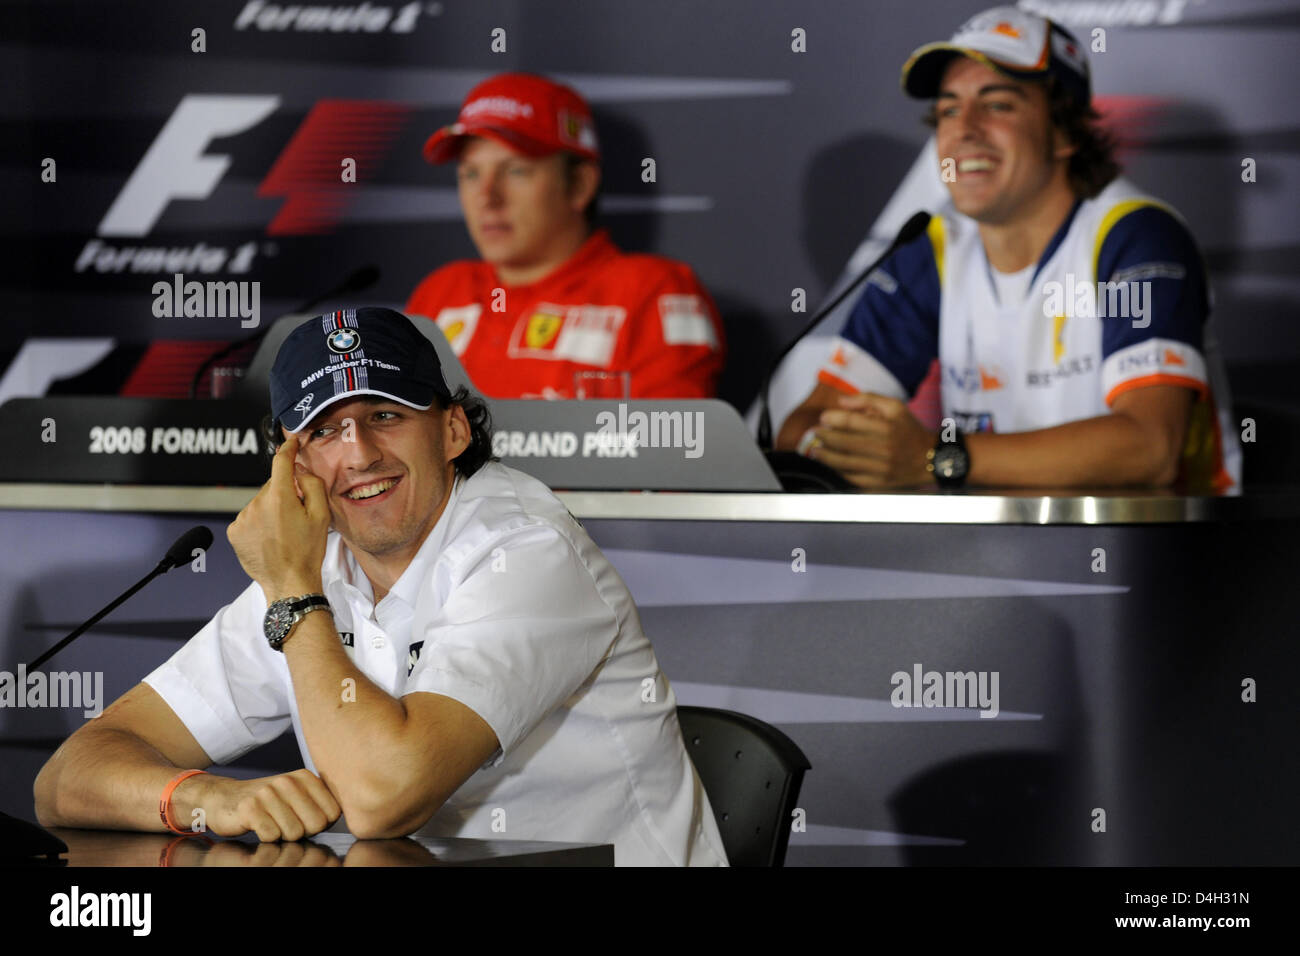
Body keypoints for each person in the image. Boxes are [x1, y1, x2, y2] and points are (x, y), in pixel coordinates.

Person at [33, 307, 728, 866]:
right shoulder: (318, 561)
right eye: (326, 430)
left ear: (452, 429)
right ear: (291, 462)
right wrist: (203, 798)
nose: (359, 453)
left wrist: (292, 594)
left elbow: (382, 800)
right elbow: (67, 778)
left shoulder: (526, 549)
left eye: (385, 416)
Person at [777, 6, 1240, 492]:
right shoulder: (932, 248)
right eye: (949, 109)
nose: (965, 130)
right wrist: (843, 445)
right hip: (1003, 556)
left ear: (1065, 132)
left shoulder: (1135, 237)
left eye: (997, 104)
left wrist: (935, 459)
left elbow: (1150, 449)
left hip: (1165, 555)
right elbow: (802, 426)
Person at [406, 72, 726, 400]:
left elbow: (674, 441)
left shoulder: (653, 293)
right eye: (470, 173)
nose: (487, 197)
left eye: (516, 170)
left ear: (580, 185)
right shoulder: (439, 294)